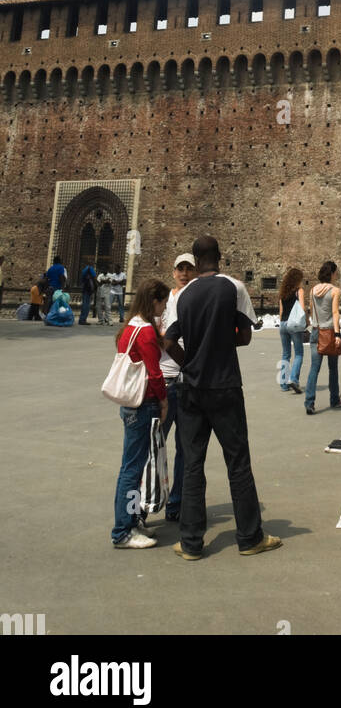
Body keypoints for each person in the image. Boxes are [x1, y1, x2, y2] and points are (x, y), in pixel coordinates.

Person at [163, 235, 281, 560]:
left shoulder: (182, 295)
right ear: (220, 257)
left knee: (192, 465)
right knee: (238, 463)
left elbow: (168, 342)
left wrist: (191, 361)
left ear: (196, 261)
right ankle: (249, 538)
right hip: (225, 385)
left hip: (191, 389)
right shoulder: (234, 287)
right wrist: (221, 343)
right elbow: (245, 336)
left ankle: (190, 543)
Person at [110, 276, 170, 549]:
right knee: (132, 469)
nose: (164, 308)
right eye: (163, 302)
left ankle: (132, 521)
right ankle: (123, 530)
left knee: (131, 467)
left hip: (130, 405)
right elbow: (155, 373)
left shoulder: (129, 327)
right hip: (142, 404)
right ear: (153, 300)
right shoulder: (145, 331)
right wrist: (164, 401)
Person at [157, 253, 198, 524]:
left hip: (185, 382)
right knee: (154, 446)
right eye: (180, 269)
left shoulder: (195, 299)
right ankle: (148, 501)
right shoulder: (165, 300)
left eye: (189, 269)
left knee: (184, 448)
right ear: (173, 272)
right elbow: (158, 336)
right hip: (165, 381)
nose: (184, 273)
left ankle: (175, 504)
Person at [304, 260, 341, 415]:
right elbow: (335, 313)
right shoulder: (335, 291)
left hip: (316, 330)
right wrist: (337, 334)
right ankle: (334, 399)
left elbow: (312, 311)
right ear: (332, 273)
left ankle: (309, 402)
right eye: (336, 273)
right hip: (329, 331)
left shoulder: (313, 290)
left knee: (314, 368)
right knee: (332, 368)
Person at [277, 265, 307, 393]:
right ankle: (293, 379)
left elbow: (281, 311)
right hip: (293, 324)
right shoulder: (298, 291)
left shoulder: (282, 292)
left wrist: (282, 322)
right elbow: (302, 308)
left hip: (283, 324)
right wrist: (306, 320)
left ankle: (283, 384)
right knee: (299, 353)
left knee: (285, 354)